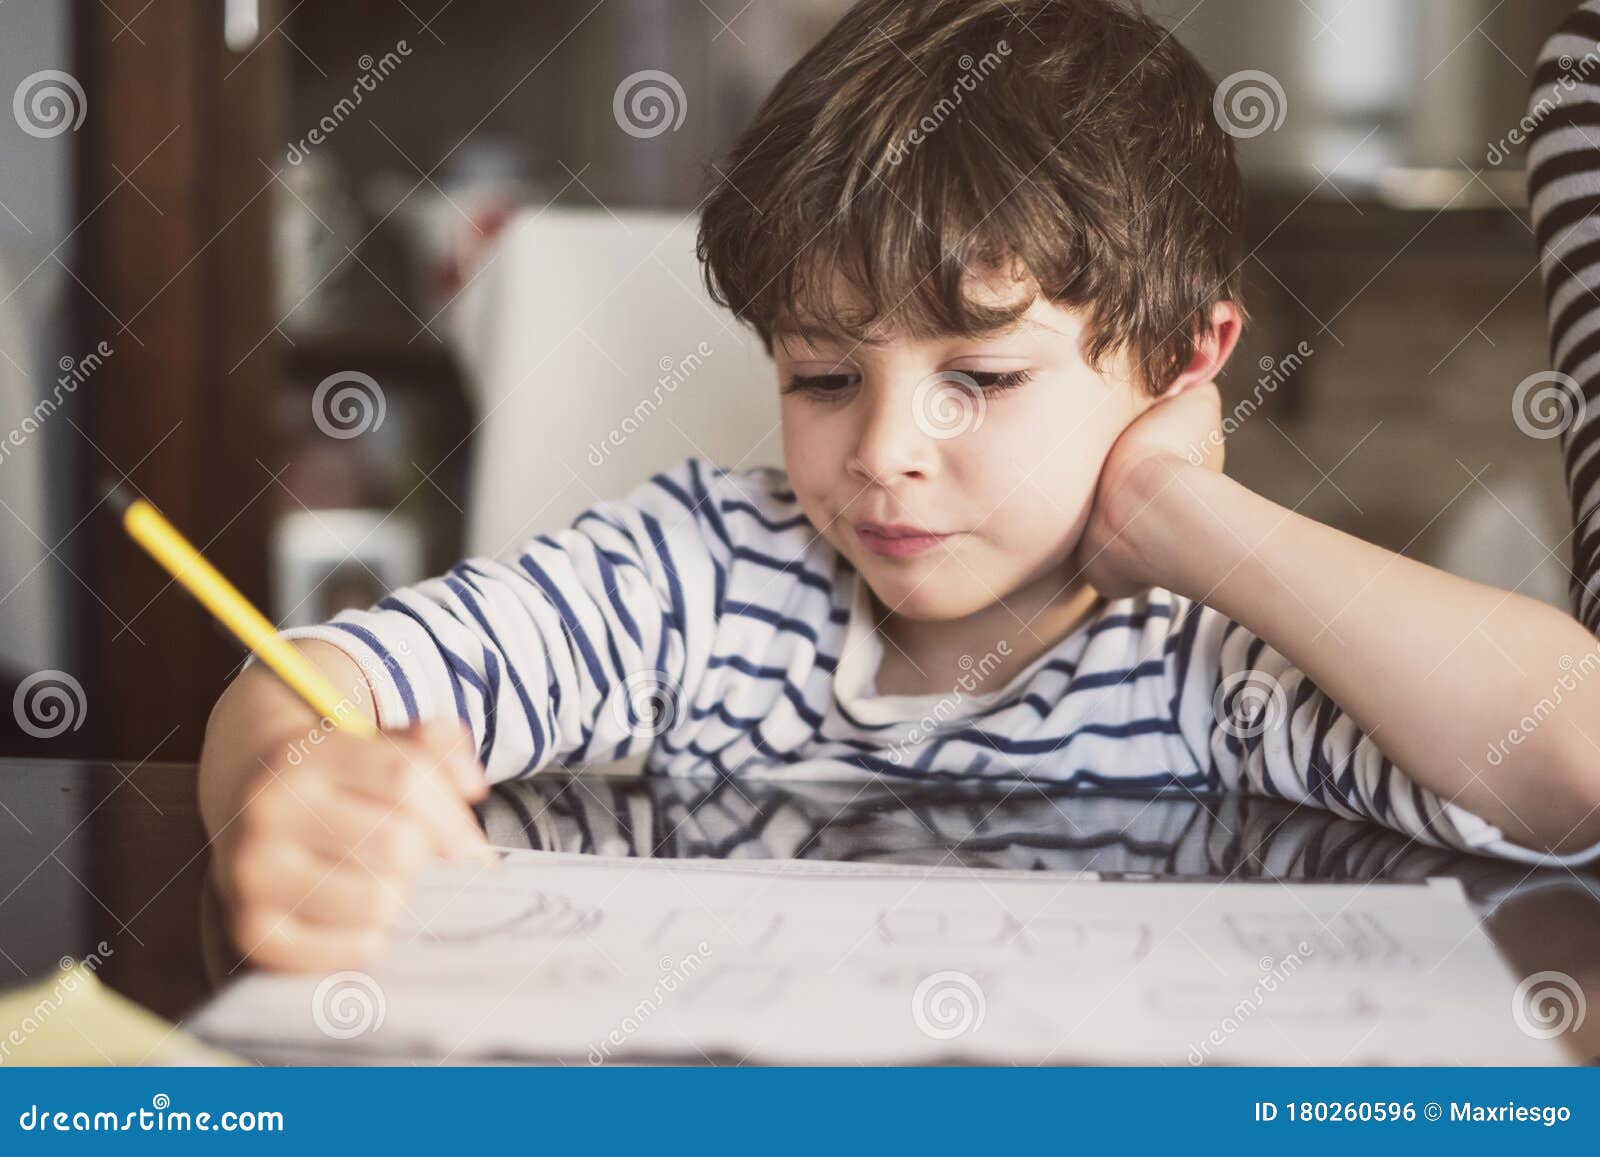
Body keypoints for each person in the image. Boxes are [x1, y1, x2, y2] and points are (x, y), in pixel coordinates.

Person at [199, 0, 1600, 971]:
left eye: (980, 380)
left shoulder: (1210, 660)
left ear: (1188, 360)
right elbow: (300, 683)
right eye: (821, 377)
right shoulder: (702, 580)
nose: (881, 452)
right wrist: (301, 778)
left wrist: (1184, 513)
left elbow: (1572, 763)